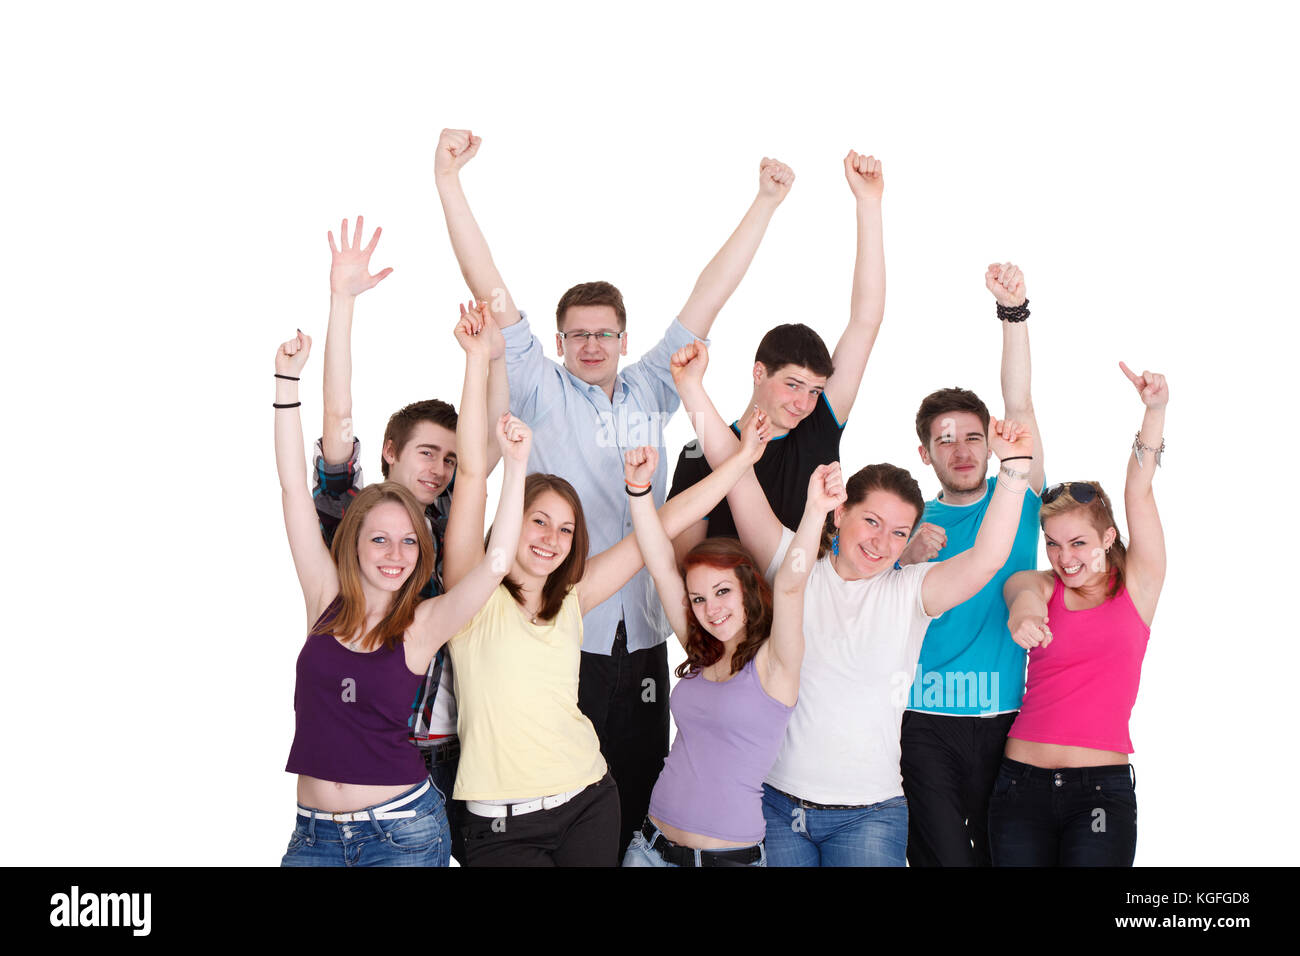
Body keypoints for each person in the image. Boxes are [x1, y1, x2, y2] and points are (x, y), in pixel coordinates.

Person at [434, 127, 795, 858]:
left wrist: (764, 202)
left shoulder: (652, 387)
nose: (591, 345)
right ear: (561, 343)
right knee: (568, 786)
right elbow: (490, 287)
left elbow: (708, 295)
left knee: (635, 785)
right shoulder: (539, 386)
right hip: (568, 626)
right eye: (578, 335)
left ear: (626, 340)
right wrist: (450, 182)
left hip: (647, 624)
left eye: (604, 333)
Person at [671, 339, 1035, 866]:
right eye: (871, 522)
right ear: (840, 514)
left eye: (898, 533)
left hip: (871, 812)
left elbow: (987, 559)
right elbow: (736, 473)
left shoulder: (911, 590)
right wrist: (692, 390)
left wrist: (1016, 469)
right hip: (778, 803)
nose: (881, 543)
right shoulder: (790, 563)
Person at [440, 301, 773, 867]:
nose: (551, 538)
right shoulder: (471, 596)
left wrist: (741, 462)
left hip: (588, 803)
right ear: (510, 523)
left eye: (566, 529)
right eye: (537, 522)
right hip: (499, 824)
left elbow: (662, 525)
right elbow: (473, 471)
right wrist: (477, 362)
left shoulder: (572, 600)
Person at [272, 326, 530, 867]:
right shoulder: (323, 595)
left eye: (409, 541)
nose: (395, 553)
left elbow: (497, 562)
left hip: (403, 834)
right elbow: (295, 487)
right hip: (312, 836)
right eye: (381, 539)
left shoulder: (424, 623)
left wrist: (519, 464)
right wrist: (285, 384)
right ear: (353, 541)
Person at [311, 216, 489, 862]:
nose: (437, 469)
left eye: (447, 458)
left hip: (444, 746)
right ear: (390, 452)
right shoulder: (350, 514)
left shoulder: (450, 527)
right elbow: (337, 418)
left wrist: (482, 358)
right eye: (425, 453)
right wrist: (342, 301)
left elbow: (479, 459)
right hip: (357, 749)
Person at [897, 262, 1049, 867]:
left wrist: (1013, 314)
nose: (961, 451)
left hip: (1007, 716)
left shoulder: (1021, 497)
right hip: (923, 718)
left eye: (972, 437)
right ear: (925, 452)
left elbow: (1021, 401)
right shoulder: (906, 520)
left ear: (992, 441)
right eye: (945, 440)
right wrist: (905, 555)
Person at [667, 150, 887, 560]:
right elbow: (685, 564)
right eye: (793, 385)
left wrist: (868, 203)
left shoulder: (818, 425)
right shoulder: (699, 455)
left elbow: (865, 321)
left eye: (815, 390)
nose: (804, 403)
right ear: (758, 372)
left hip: (814, 609)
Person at [623, 460, 845, 867]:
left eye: (722, 591)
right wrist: (638, 491)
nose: (711, 609)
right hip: (650, 849)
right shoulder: (701, 648)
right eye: (699, 598)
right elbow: (658, 563)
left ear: (747, 590)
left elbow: (792, 586)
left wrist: (816, 510)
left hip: (727, 859)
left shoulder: (775, 662)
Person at [989, 363, 1168, 867]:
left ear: (1108, 537)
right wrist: (1023, 613)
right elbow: (1018, 587)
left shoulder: (1139, 586)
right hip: (1019, 783)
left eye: (1079, 543)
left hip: (1100, 793)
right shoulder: (1044, 586)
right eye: (1053, 544)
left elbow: (1139, 490)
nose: (1064, 557)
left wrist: (1154, 412)